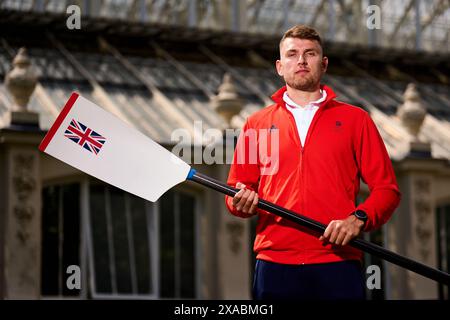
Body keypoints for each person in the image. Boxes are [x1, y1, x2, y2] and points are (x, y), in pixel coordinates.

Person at [225, 25, 401, 300]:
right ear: (280, 66)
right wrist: (240, 201)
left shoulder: (357, 120)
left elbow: (387, 190)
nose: (302, 61)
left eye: (310, 53)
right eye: (293, 54)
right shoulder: (256, 125)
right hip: (275, 264)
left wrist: (358, 219)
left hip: (337, 261)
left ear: (324, 63)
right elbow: (237, 189)